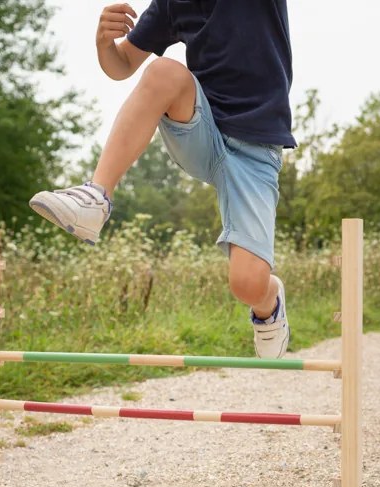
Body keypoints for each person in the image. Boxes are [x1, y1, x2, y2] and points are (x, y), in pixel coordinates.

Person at [28, 1, 296, 358]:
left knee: (247, 284)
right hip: (202, 129)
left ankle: (269, 304)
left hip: (255, 151)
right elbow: (123, 64)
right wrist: (104, 44)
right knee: (163, 72)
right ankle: (96, 198)